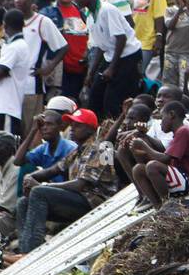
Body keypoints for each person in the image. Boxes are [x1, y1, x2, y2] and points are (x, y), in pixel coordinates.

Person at [14, 108, 117, 255]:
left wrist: (43, 185)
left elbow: (80, 185)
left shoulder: (102, 147)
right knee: (23, 202)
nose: (72, 129)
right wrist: (31, 177)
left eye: (78, 125)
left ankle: (30, 253)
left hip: (95, 203)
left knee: (39, 192)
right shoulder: (79, 149)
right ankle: (24, 251)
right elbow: (53, 170)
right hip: (80, 200)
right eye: (72, 125)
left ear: (90, 129)